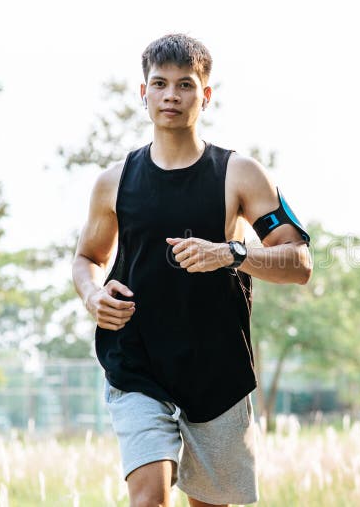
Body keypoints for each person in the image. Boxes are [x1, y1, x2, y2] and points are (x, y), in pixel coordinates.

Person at [72, 33, 312, 507]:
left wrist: (233, 253)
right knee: (148, 500)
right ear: (144, 94)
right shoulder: (112, 182)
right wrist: (92, 295)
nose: (171, 96)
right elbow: (88, 260)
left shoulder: (241, 174)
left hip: (216, 370)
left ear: (205, 95)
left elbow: (299, 262)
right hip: (137, 362)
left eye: (185, 85)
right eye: (159, 84)